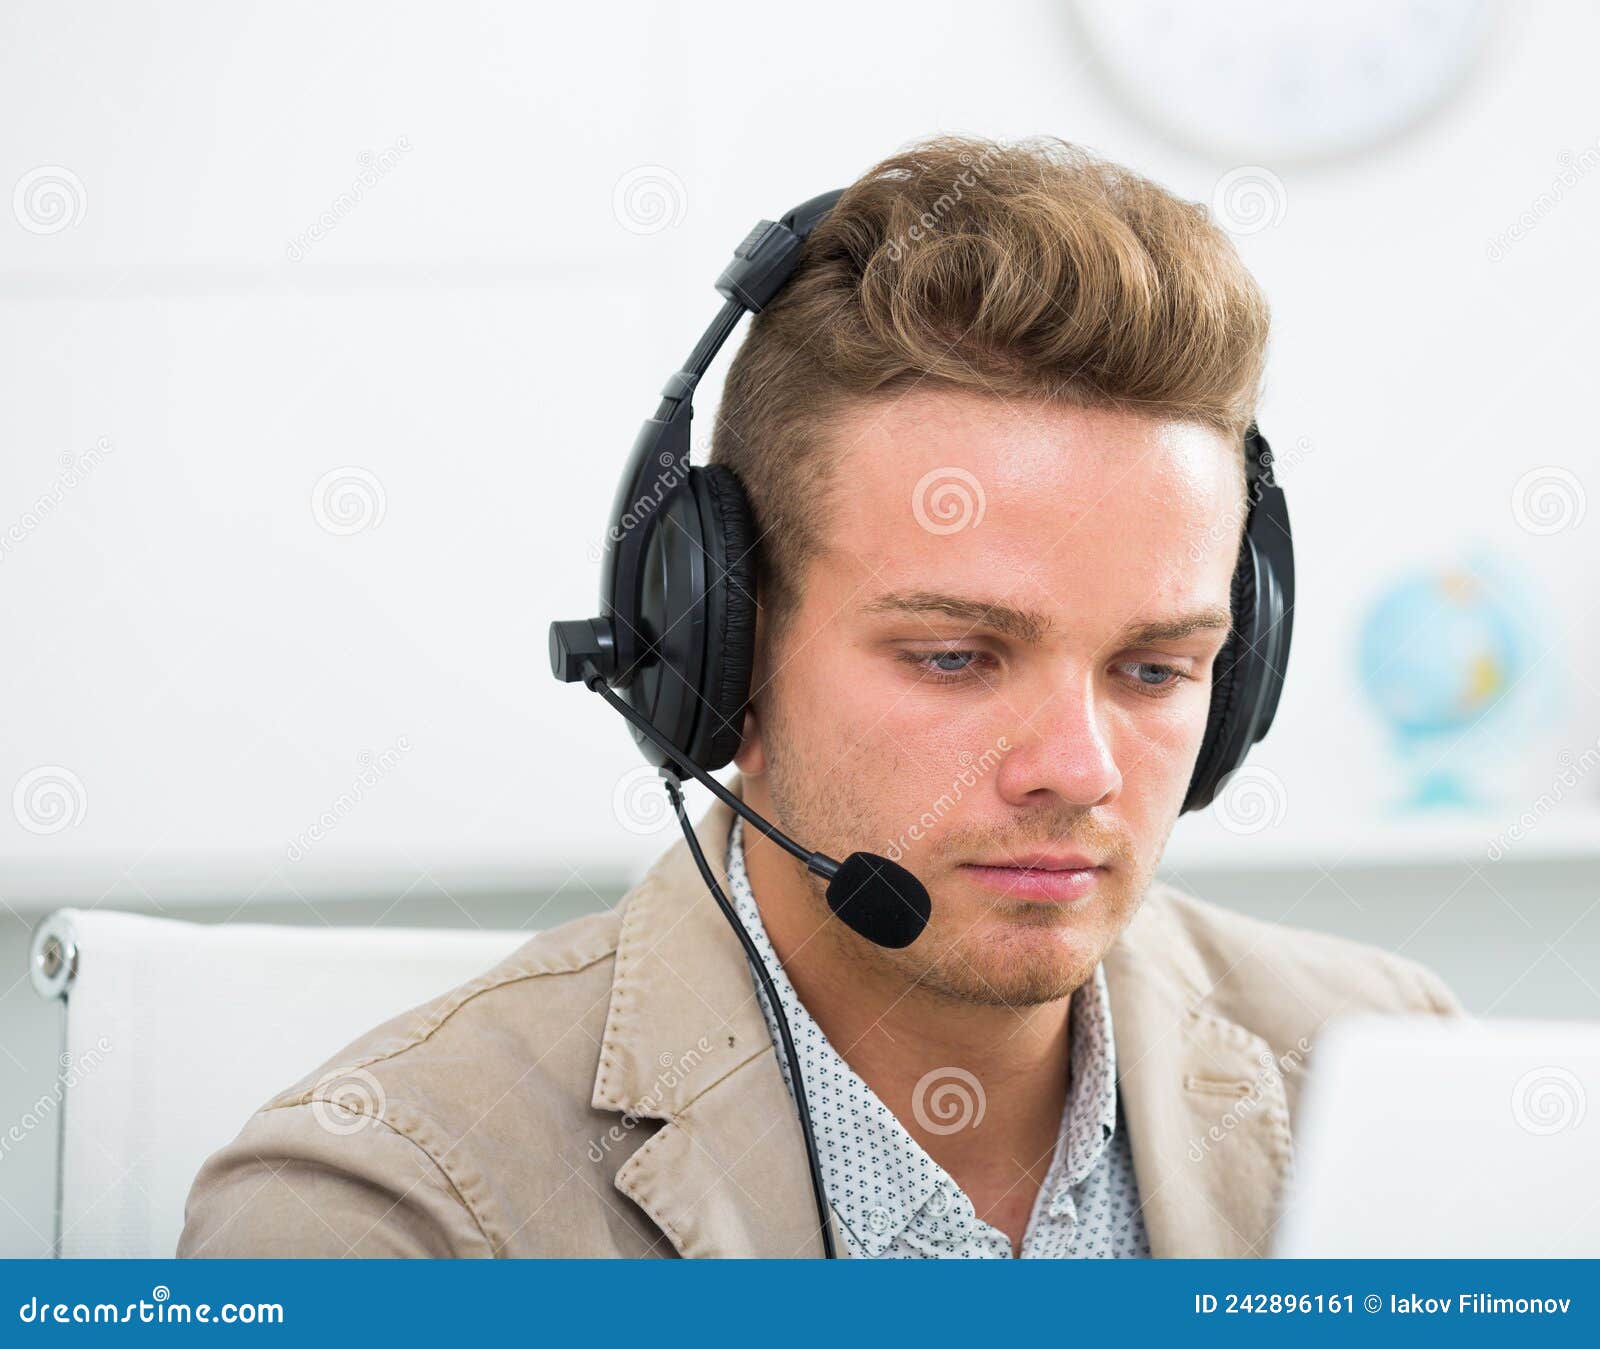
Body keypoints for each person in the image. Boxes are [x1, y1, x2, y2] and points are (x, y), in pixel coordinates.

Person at [179, 135, 1460, 1260]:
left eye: (1152, 669)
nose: (1078, 767)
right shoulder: (389, 1215)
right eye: (955, 656)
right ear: (709, 655)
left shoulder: (1394, 1071)